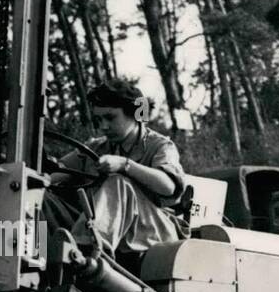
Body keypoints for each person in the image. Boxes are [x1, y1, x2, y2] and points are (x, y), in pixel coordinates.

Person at [49, 79, 187, 255]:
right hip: (97, 226)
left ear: (135, 113)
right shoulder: (96, 148)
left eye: (110, 117)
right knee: (40, 195)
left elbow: (168, 187)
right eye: (99, 119)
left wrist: (124, 165)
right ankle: (23, 257)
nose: (103, 127)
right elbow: (56, 171)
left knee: (118, 182)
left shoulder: (160, 146)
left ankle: (87, 251)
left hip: (154, 229)